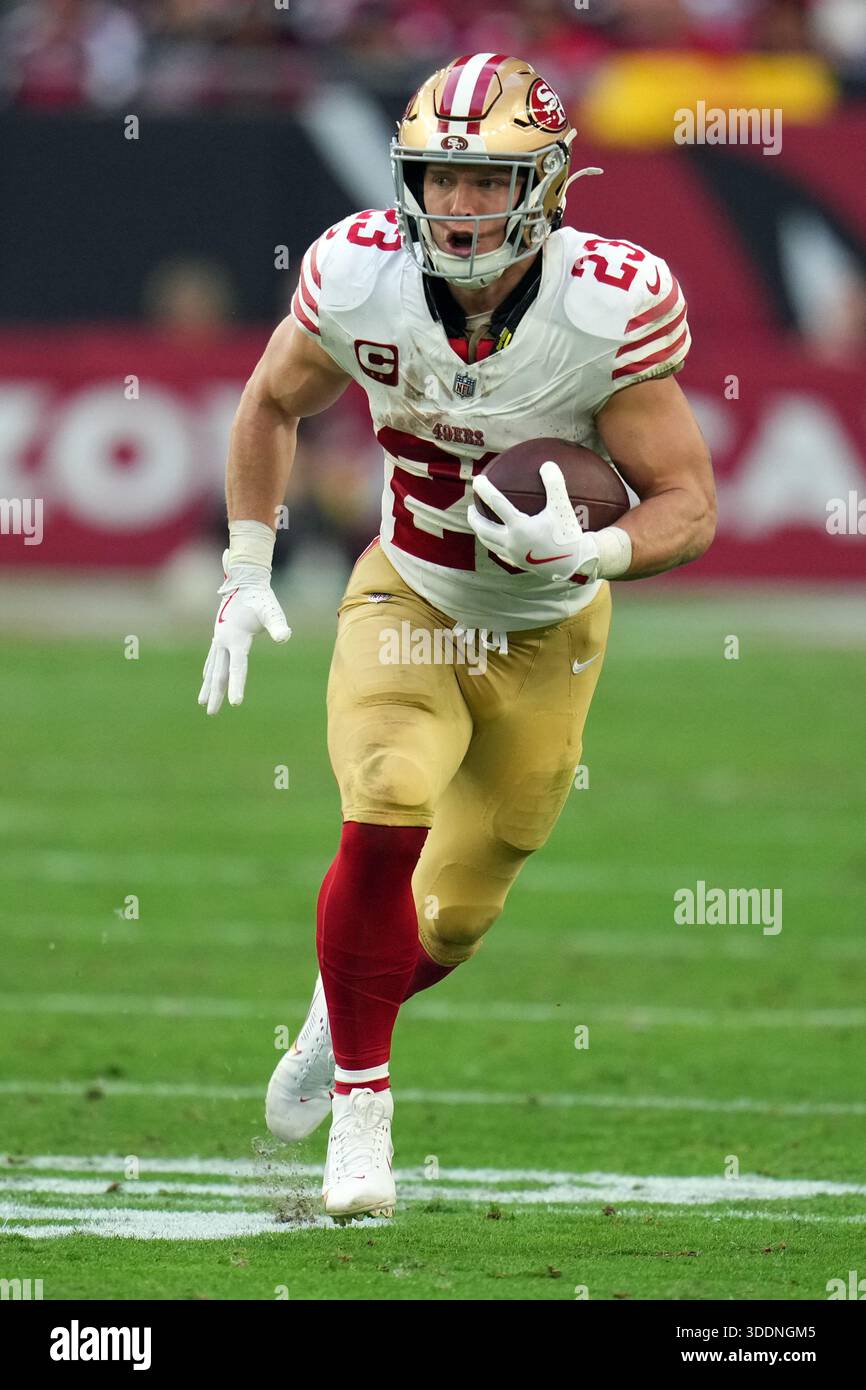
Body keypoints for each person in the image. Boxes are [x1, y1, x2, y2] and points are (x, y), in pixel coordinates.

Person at [197, 53, 716, 1222]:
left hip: (551, 631)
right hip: (412, 593)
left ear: (547, 188)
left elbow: (685, 501)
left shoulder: (605, 306)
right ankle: (364, 1125)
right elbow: (271, 400)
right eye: (439, 178)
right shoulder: (359, 274)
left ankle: (338, 1019)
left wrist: (597, 552)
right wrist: (243, 566)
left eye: (486, 182)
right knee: (383, 795)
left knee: (457, 916)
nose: (457, 205)